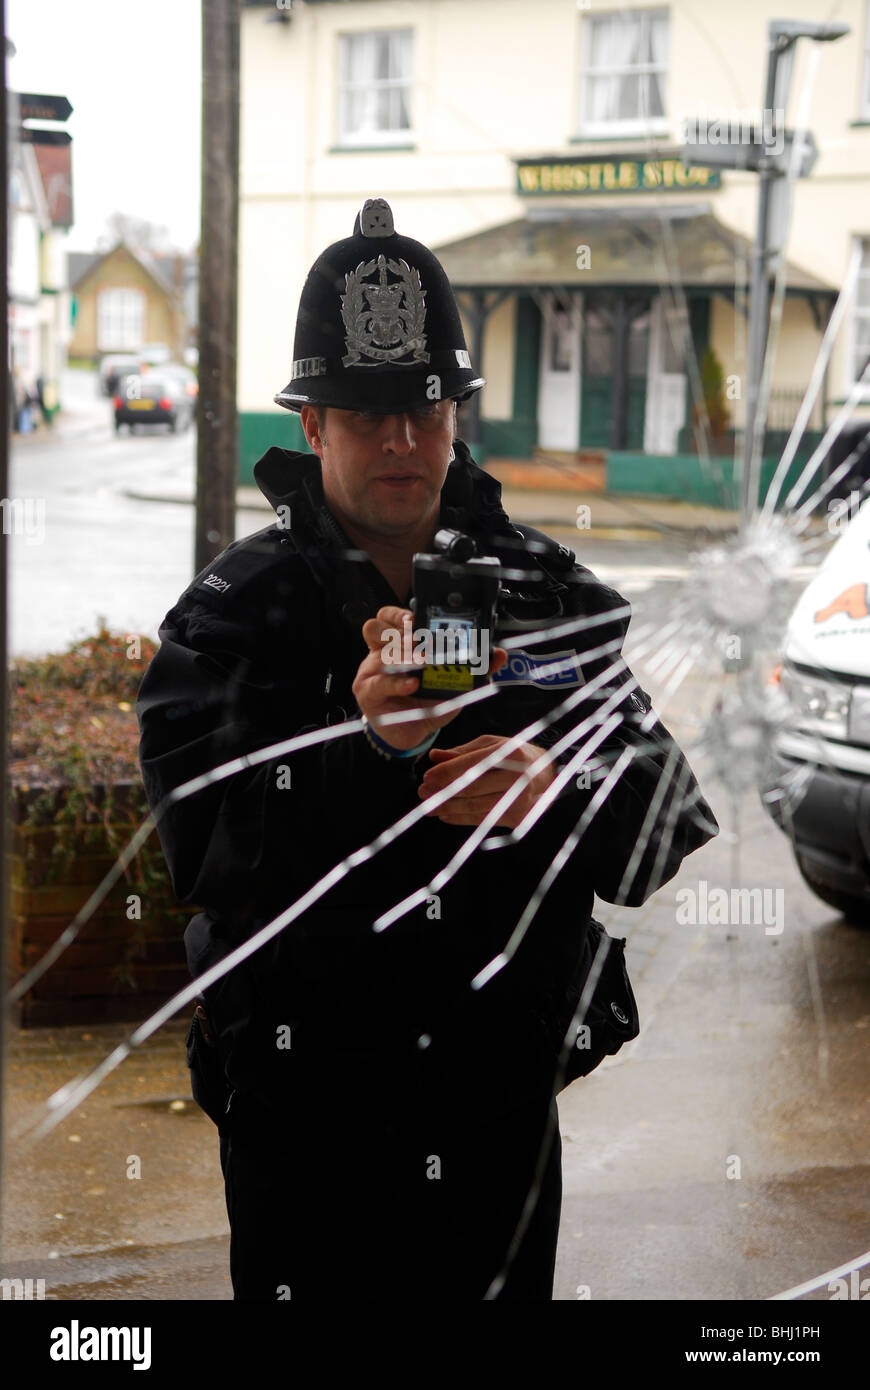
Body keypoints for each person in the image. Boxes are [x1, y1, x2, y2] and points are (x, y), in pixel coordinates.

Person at [137, 198, 718, 1302]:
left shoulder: (547, 595)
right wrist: (366, 753)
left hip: (496, 1122)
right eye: (363, 408)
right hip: (304, 1133)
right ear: (311, 426)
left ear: (456, 414)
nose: (400, 436)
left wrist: (557, 786)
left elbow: (659, 828)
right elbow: (201, 851)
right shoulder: (232, 615)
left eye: (423, 402)